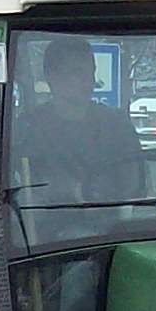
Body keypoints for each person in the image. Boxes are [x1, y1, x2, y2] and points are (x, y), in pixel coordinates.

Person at [13, 35, 143, 207]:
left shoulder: (117, 127)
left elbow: (136, 186)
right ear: (53, 77)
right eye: (77, 72)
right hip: (46, 228)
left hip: (115, 228)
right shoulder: (27, 129)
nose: (89, 81)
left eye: (91, 72)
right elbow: (18, 189)